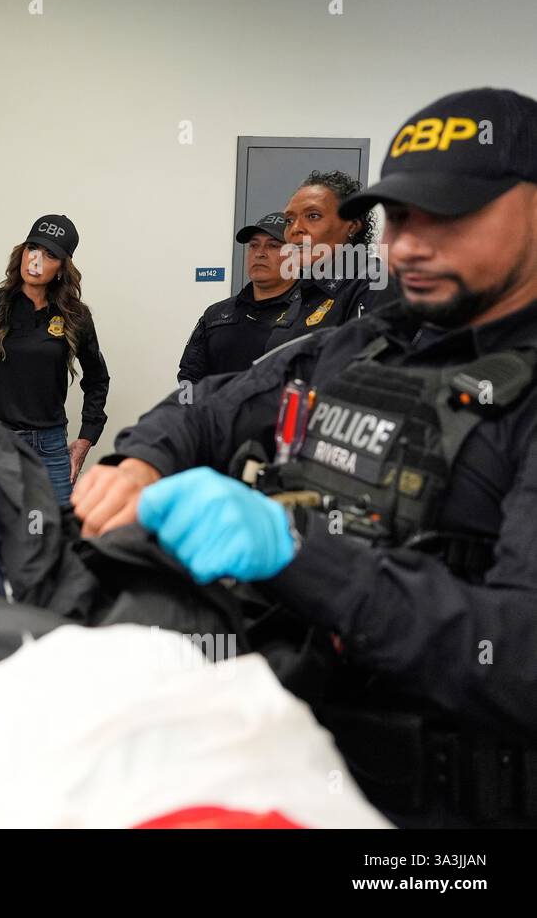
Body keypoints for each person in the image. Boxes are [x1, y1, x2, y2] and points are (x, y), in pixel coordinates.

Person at [72, 87, 537, 826]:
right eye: (400, 218)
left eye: (449, 215)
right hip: (295, 756)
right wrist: (138, 463)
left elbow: (517, 663)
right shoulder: (366, 342)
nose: (408, 246)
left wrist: (296, 551)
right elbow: (209, 407)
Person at [0, 214, 109, 504]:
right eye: (32, 248)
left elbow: (97, 379)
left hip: (49, 445)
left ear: (62, 268)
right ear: (21, 252)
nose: (36, 261)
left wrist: (87, 436)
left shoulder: (76, 316)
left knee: (56, 534)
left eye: (50, 255)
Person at [178, 212, 295, 383]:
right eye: (254, 246)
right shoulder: (216, 315)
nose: (260, 253)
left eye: (273, 246)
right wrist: (191, 408)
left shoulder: (309, 314)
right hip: (216, 410)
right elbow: (187, 378)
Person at [281, 169, 387, 323]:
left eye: (313, 216)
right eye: (289, 220)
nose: (295, 228)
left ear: (351, 226)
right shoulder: (304, 288)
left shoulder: (373, 282)